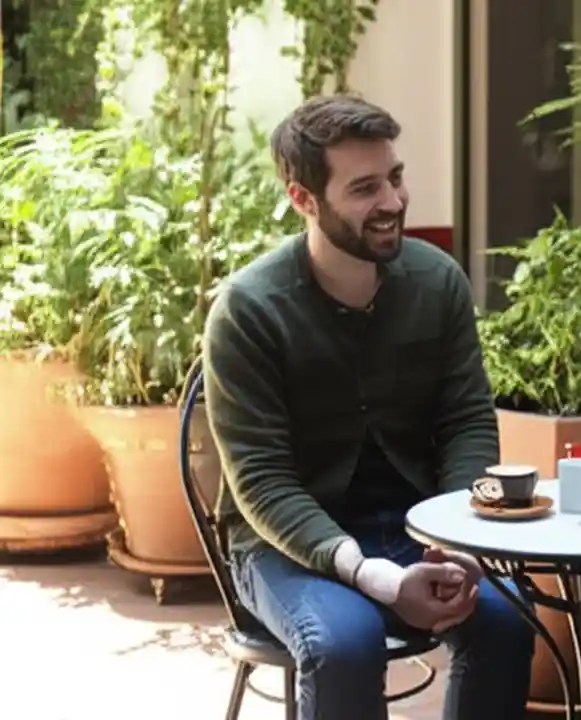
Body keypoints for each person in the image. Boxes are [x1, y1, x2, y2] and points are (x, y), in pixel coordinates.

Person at [202, 95, 533, 720]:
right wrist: (371, 575)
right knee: (344, 644)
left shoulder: (437, 282)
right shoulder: (248, 310)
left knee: (507, 619)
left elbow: (465, 418)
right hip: (282, 543)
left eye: (396, 177)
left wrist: (460, 536)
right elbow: (263, 483)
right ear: (303, 199)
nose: (393, 202)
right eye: (364, 188)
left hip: (417, 526)